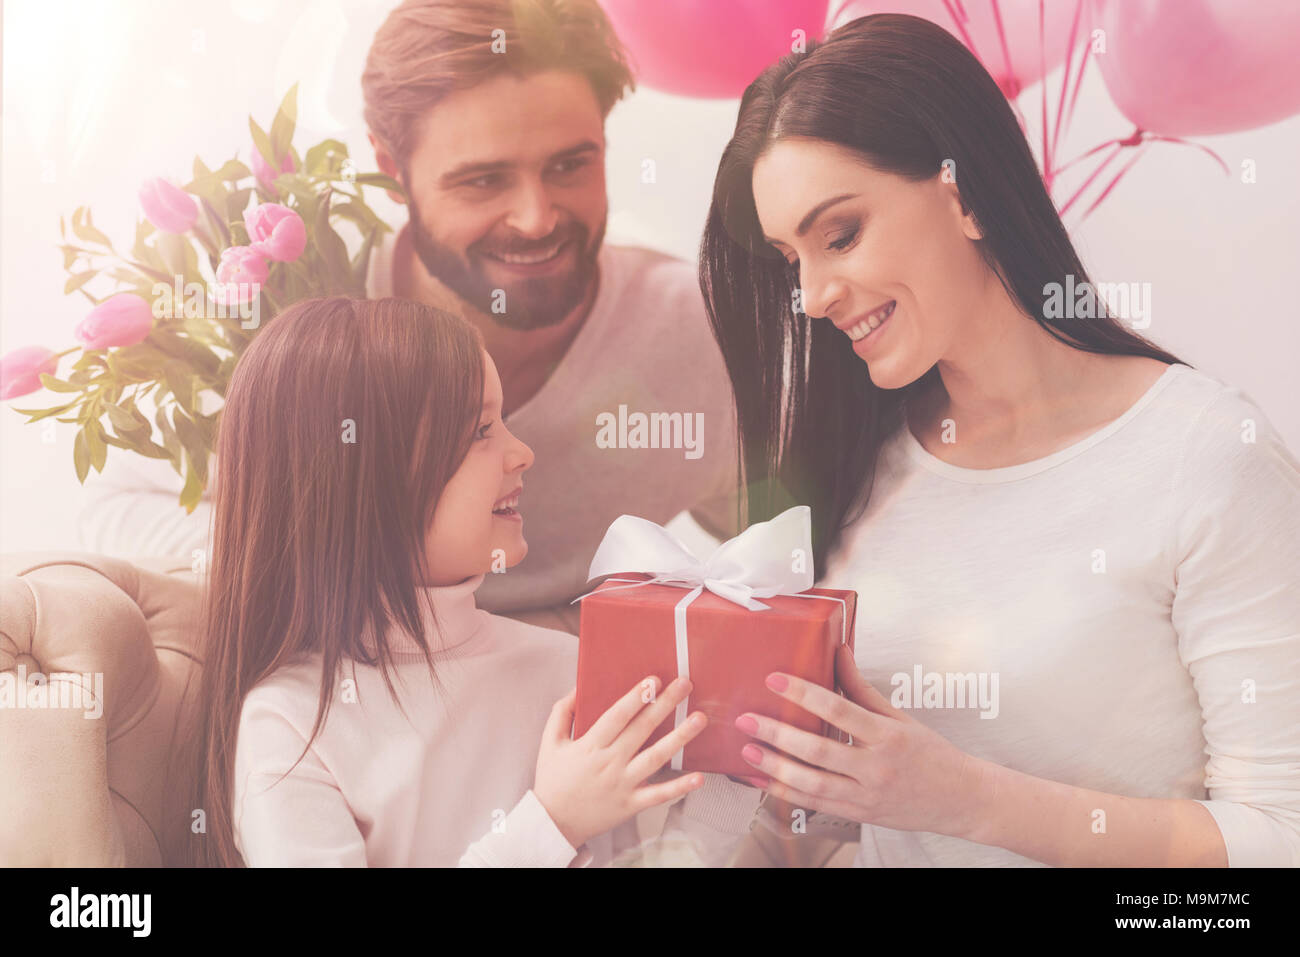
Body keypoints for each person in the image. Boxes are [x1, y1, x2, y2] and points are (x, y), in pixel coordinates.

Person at [700, 14, 1300, 866]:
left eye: (839, 235)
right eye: (789, 258)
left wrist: (963, 798)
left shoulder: (1206, 460)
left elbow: (1279, 846)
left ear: (965, 192)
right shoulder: (856, 465)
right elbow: (824, 828)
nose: (813, 294)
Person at [77, 0, 740, 637]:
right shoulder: (292, 305)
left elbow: (807, 533)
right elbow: (119, 509)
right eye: (483, 180)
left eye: (570, 164)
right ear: (392, 169)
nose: (537, 218)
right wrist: (334, 602)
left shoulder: (698, 335)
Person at [187, 296, 763, 867]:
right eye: (480, 430)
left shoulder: (571, 669)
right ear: (364, 479)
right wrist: (553, 824)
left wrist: (736, 771)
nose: (522, 453)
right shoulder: (290, 723)